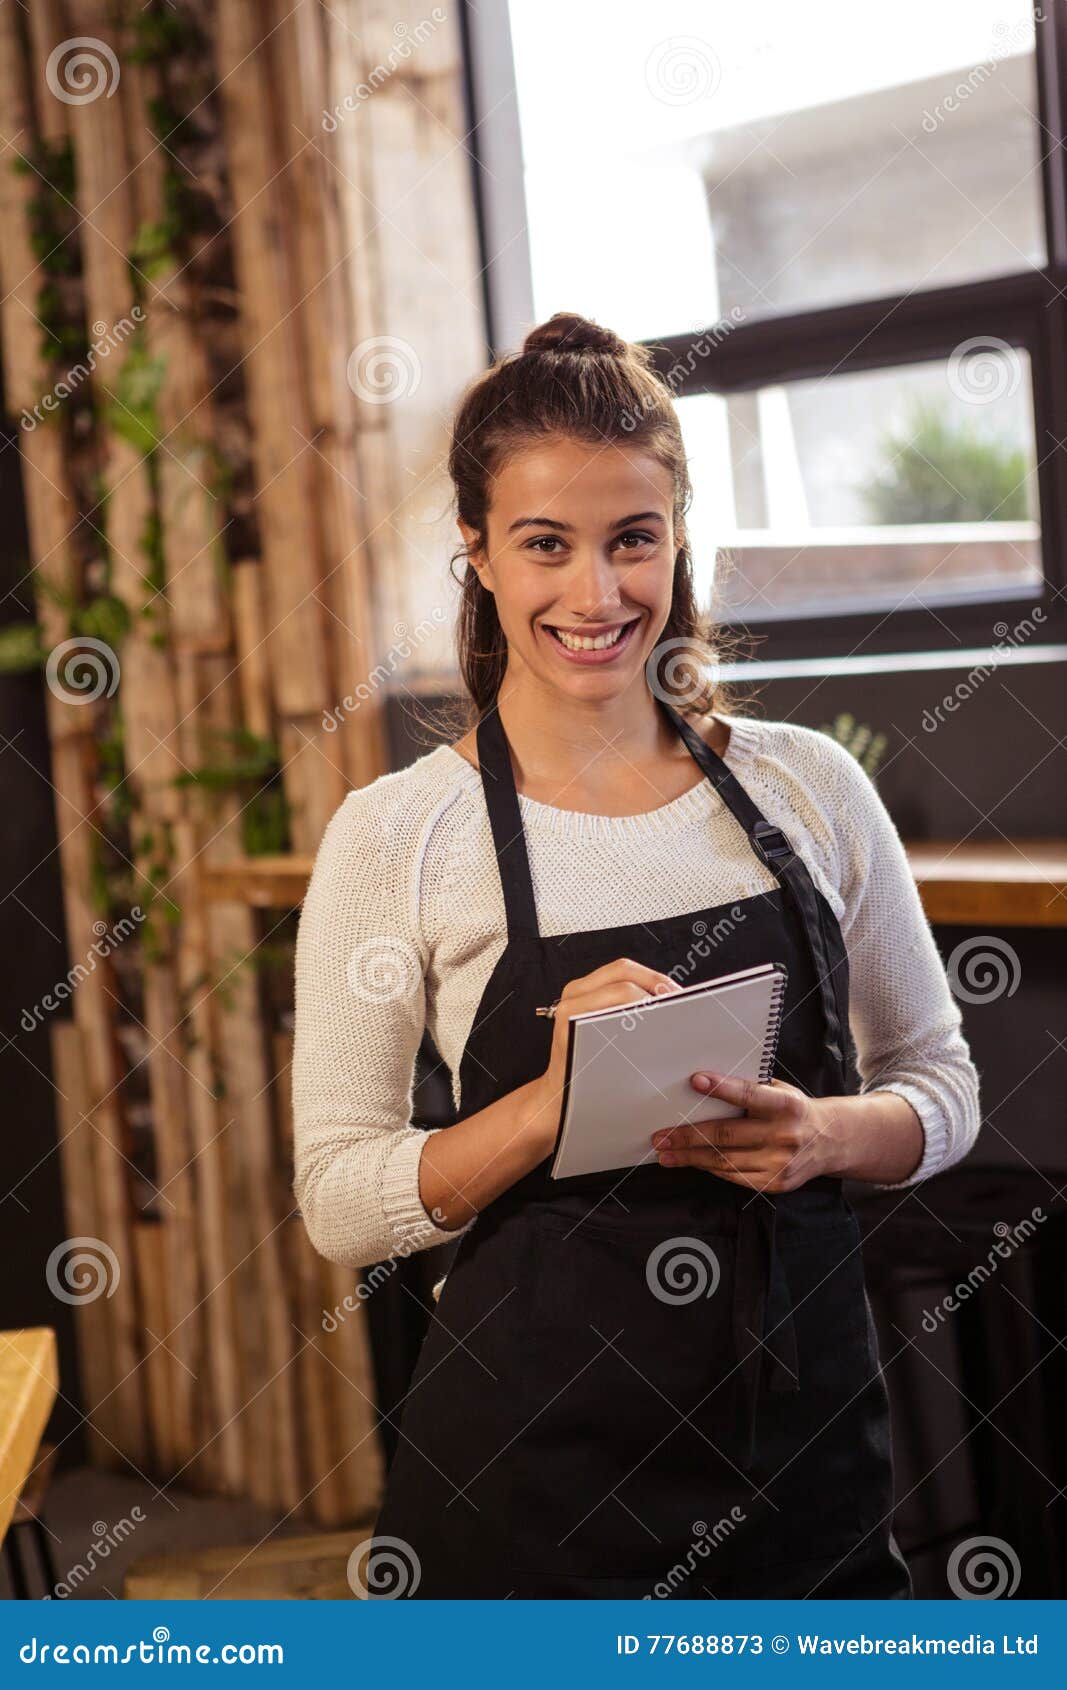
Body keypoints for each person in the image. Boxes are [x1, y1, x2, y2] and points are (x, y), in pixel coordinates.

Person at [292, 311, 981, 1599]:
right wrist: (554, 1103)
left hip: (804, 1448)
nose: (597, 595)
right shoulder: (397, 837)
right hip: (535, 1470)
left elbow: (940, 1088)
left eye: (633, 540)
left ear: (676, 541)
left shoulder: (809, 787)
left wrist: (825, 1137)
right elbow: (338, 1200)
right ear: (479, 558)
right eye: (545, 545)